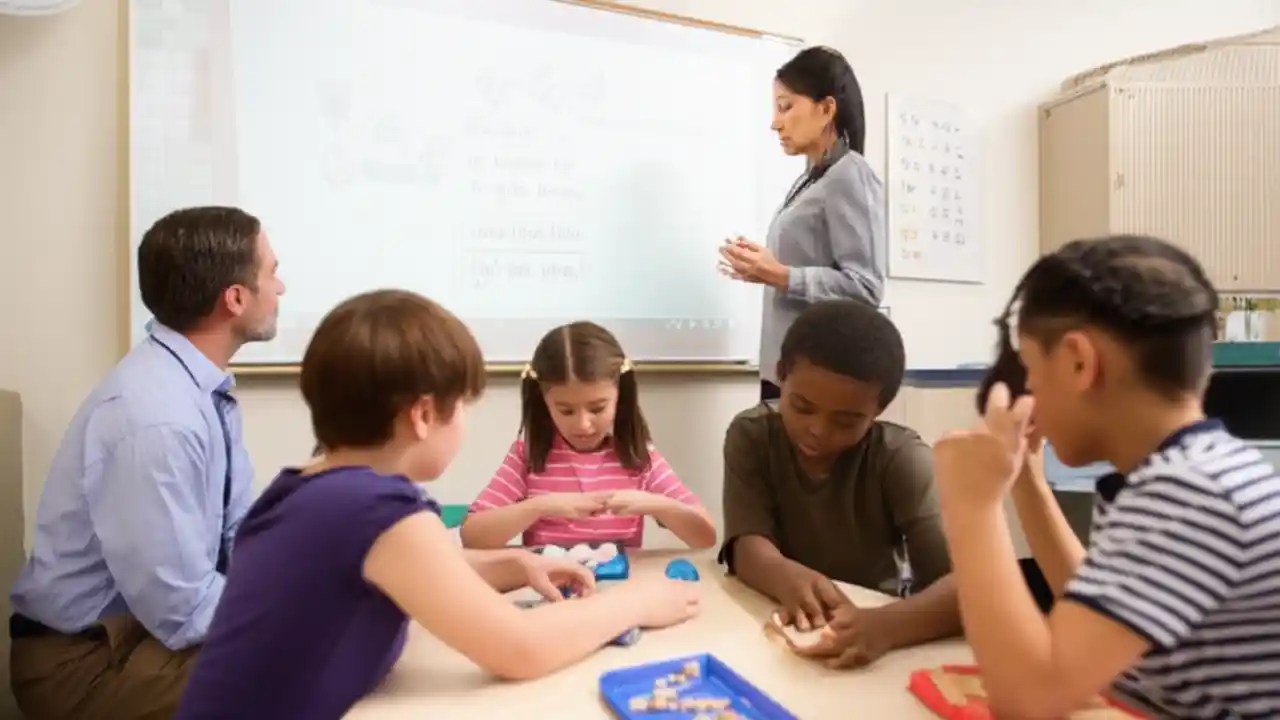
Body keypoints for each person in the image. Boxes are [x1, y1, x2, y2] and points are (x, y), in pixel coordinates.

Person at [175, 291, 701, 719]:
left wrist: (513, 563)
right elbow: (519, 649)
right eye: (462, 409)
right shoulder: (379, 511)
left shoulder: (306, 488)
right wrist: (635, 603)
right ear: (424, 416)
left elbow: (410, 570)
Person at [934, 235, 1280, 718]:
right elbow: (1099, 615)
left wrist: (971, 507)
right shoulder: (1190, 472)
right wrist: (1024, 480)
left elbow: (1029, 699)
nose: (1029, 391)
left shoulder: (1190, 493)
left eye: (1032, 370)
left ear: (1079, 362)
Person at [9, 206, 284, 718]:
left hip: (138, 636)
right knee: (311, 663)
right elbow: (183, 610)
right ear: (236, 297)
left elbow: (242, 536)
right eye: (272, 271)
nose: (281, 287)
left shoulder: (200, 391)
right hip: (84, 666)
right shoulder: (157, 419)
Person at [719, 300, 960, 669]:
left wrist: (885, 626)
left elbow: (965, 587)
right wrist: (784, 575)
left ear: (878, 410)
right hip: (776, 628)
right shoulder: (752, 435)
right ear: (781, 375)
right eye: (802, 407)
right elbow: (747, 548)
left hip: (877, 632)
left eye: (846, 422)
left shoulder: (901, 458)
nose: (817, 430)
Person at [717, 46, 885, 402]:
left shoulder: (850, 174)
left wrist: (780, 275)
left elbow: (866, 287)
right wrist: (763, 267)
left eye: (785, 106)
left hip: (815, 381)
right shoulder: (810, 178)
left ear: (825, 109)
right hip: (783, 369)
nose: (775, 122)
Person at [460, 322, 717, 550]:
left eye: (597, 408)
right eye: (565, 410)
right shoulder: (527, 455)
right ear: (543, 402)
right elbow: (472, 535)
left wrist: (655, 504)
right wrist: (539, 506)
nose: (583, 425)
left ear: (620, 397)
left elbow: (705, 537)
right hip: (551, 591)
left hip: (619, 590)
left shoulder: (639, 456)